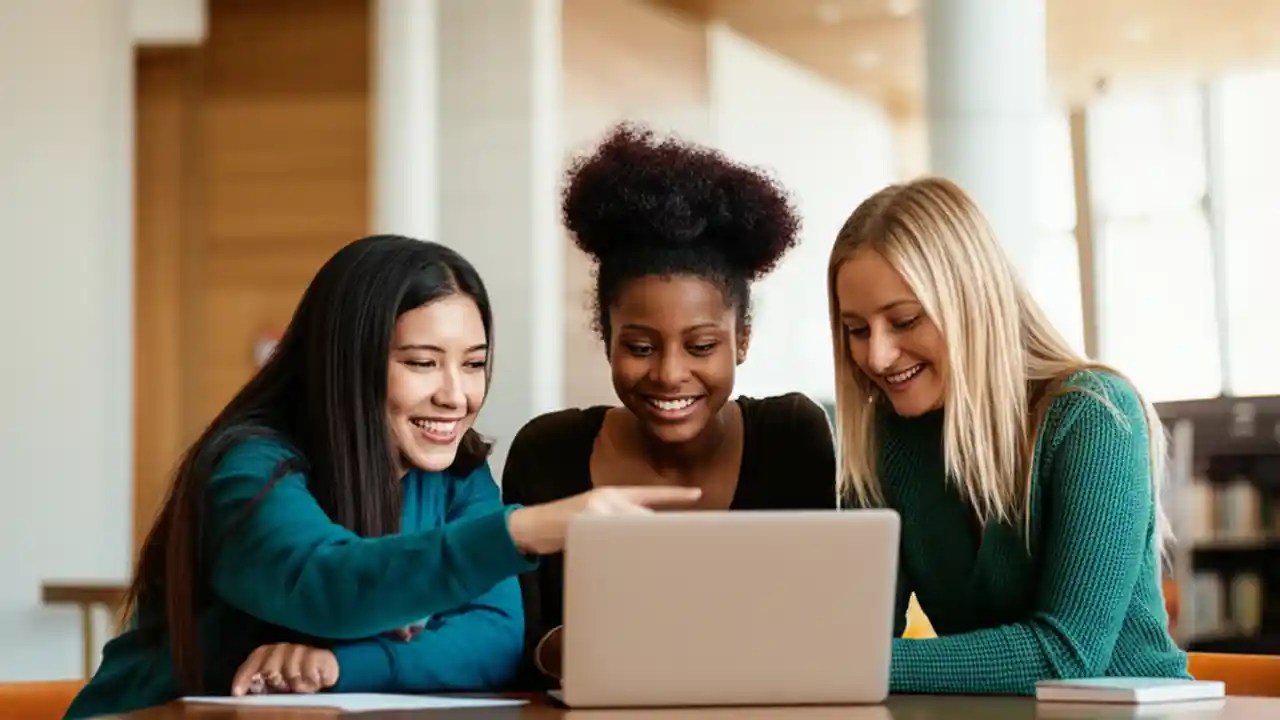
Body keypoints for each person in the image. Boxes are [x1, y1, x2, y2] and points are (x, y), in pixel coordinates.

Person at [64, 235, 700, 719]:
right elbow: (328, 582)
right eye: (423, 363)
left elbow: (493, 639)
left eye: (473, 364)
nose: (457, 395)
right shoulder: (250, 469)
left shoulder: (457, 475)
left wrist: (336, 665)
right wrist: (528, 528)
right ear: (348, 363)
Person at [502, 125, 838, 684]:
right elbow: (520, 638)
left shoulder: (791, 436)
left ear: (743, 339)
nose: (669, 374)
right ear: (604, 336)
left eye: (702, 346)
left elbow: (821, 616)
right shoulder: (547, 451)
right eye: (639, 347)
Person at [826, 177, 1189, 695]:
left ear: (972, 303)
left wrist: (851, 663)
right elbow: (855, 637)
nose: (877, 356)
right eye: (857, 330)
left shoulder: (1094, 416)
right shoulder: (885, 439)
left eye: (904, 320)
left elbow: (1067, 655)